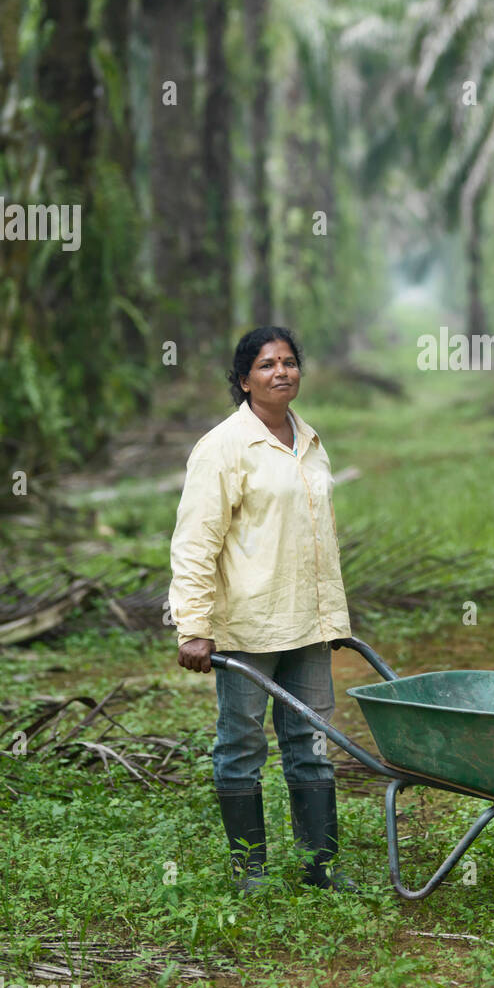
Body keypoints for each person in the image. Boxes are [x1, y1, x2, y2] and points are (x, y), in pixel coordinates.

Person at [170, 325, 356, 893]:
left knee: (311, 742)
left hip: (305, 623)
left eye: (290, 362)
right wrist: (193, 627)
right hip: (250, 624)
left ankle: (320, 867)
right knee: (242, 745)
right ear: (245, 379)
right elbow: (196, 541)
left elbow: (319, 536)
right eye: (267, 364)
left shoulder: (310, 440)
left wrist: (332, 620)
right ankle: (250, 871)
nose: (282, 372)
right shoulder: (222, 448)